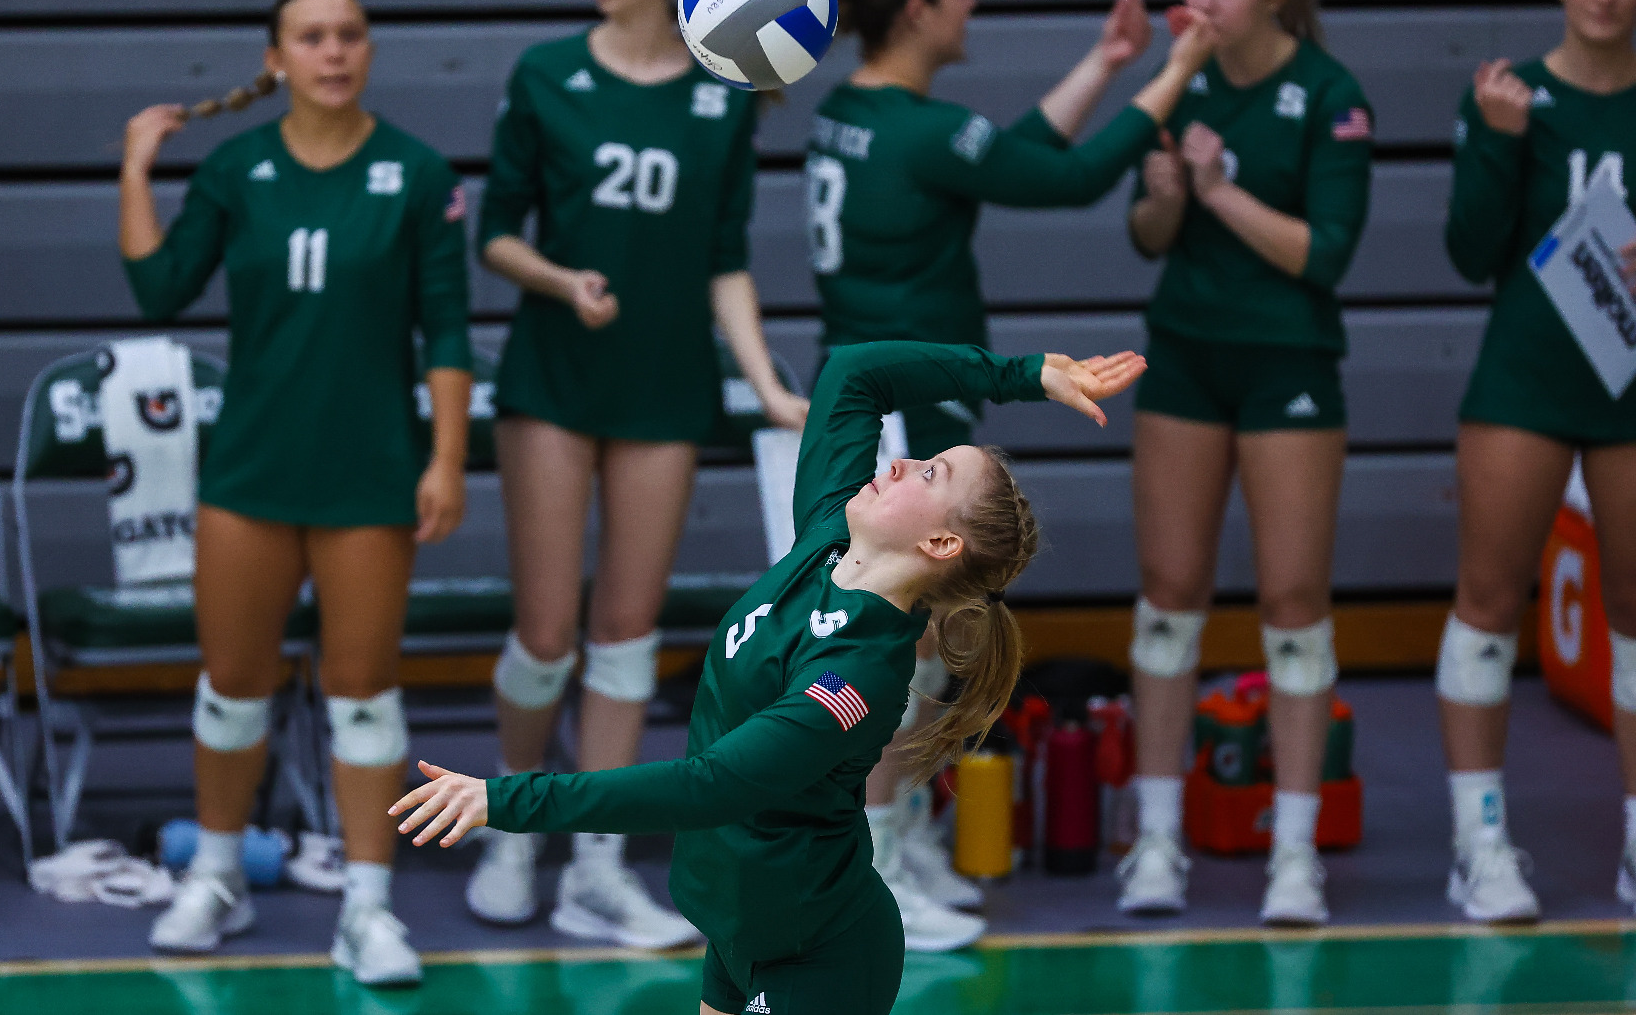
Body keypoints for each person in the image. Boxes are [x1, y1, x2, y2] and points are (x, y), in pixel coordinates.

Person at [392, 341, 1147, 1015]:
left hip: (814, 953)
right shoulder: (827, 533)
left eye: (930, 470)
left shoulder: (858, 675)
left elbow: (710, 785)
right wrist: (1024, 374)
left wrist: (504, 799)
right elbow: (855, 372)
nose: (897, 462)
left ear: (942, 539)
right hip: (738, 925)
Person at [808, 0, 1214, 948]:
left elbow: (1005, 157)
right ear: (916, 11)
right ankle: (877, 868)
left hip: (872, 407)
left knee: (909, 647)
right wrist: (1174, 72)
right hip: (906, 414)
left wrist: (1105, 63)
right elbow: (1063, 181)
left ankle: (895, 846)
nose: (969, 5)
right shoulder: (918, 130)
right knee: (893, 654)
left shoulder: (851, 116)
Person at [466, 0, 810, 948]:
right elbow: (493, 235)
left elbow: (726, 261)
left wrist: (764, 383)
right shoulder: (544, 75)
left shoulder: (724, 97)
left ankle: (598, 867)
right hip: (554, 382)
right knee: (545, 634)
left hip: (663, 389)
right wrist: (561, 280)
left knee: (625, 634)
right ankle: (512, 826)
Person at [118, 0, 473, 986]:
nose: (333, 52)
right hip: (251, 470)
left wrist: (443, 457)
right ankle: (217, 877)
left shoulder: (413, 173)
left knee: (363, 697)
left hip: (368, 474)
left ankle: (366, 909)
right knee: (232, 689)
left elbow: (445, 326)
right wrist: (137, 171)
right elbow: (158, 289)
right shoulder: (236, 168)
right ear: (275, 59)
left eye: (350, 34)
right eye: (310, 38)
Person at [1115, 0, 1374, 926]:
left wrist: (1216, 192)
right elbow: (1144, 237)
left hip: (1288, 365)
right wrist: (1164, 195)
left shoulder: (1329, 93)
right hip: (1183, 355)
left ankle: (1295, 854)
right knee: (1167, 591)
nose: (1201, 3)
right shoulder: (1178, 86)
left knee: (1292, 600)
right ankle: (1153, 842)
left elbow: (1324, 254)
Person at [1435, 0, 1636, 923]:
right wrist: (1499, 143)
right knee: (1486, 604)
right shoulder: (1508, 96)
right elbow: (1468, 253)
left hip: (1629, 389)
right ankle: (1479, 845)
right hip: (1520, 380)